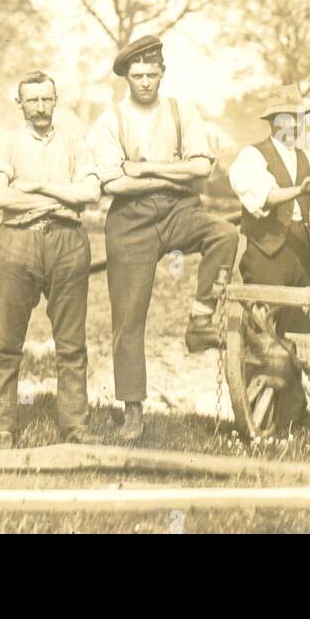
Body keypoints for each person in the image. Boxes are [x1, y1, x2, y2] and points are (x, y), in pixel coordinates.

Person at [88, 35, 239, 441]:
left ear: (162, 73)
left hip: (177, 210)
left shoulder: (181, 111)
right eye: (137, 75)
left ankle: (200, 318)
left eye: (152, 74)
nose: (145, 82)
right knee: (129, 317)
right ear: (126, 78)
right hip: (130, 222)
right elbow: (112, 182)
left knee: (224, 233)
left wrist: (144, 169)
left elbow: (203, 168)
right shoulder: (109, 121)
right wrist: (171, 168)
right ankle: (133, 409)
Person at [0, 72, 101, 449]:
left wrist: (39, 188)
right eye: (31, 100)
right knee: (7, 341)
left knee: (71, 344)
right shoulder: (5, 142)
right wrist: (62, 199)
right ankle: (3, 426)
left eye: (46, 99)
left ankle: (74, 426)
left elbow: (92, 192)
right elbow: (0, 198)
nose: (39, 107)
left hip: (68, 243)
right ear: (20, 104)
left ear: (56, 100)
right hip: (19, 242)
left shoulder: (74, 142)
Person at [227, 85, 310, 424]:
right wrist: (299, 190)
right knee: (264, 334)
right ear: (272, 121)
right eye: (286, 118)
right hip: (268, 251)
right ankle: (260, 414)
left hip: (301, 251)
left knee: (296, 330)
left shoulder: (307, 158)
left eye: (298, 118)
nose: (293, 125)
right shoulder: (253, 156)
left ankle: (293, 413)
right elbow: (264, 196)